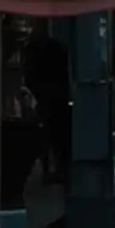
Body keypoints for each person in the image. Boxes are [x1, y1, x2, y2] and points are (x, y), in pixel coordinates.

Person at [22, 29, 71, 187]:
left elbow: (30, 74)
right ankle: (60, 169)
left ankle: (51, 168)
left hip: (46, 98)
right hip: (59, 98)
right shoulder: (59, 51)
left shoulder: (36, 54)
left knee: (49, 136)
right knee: (59, 138)